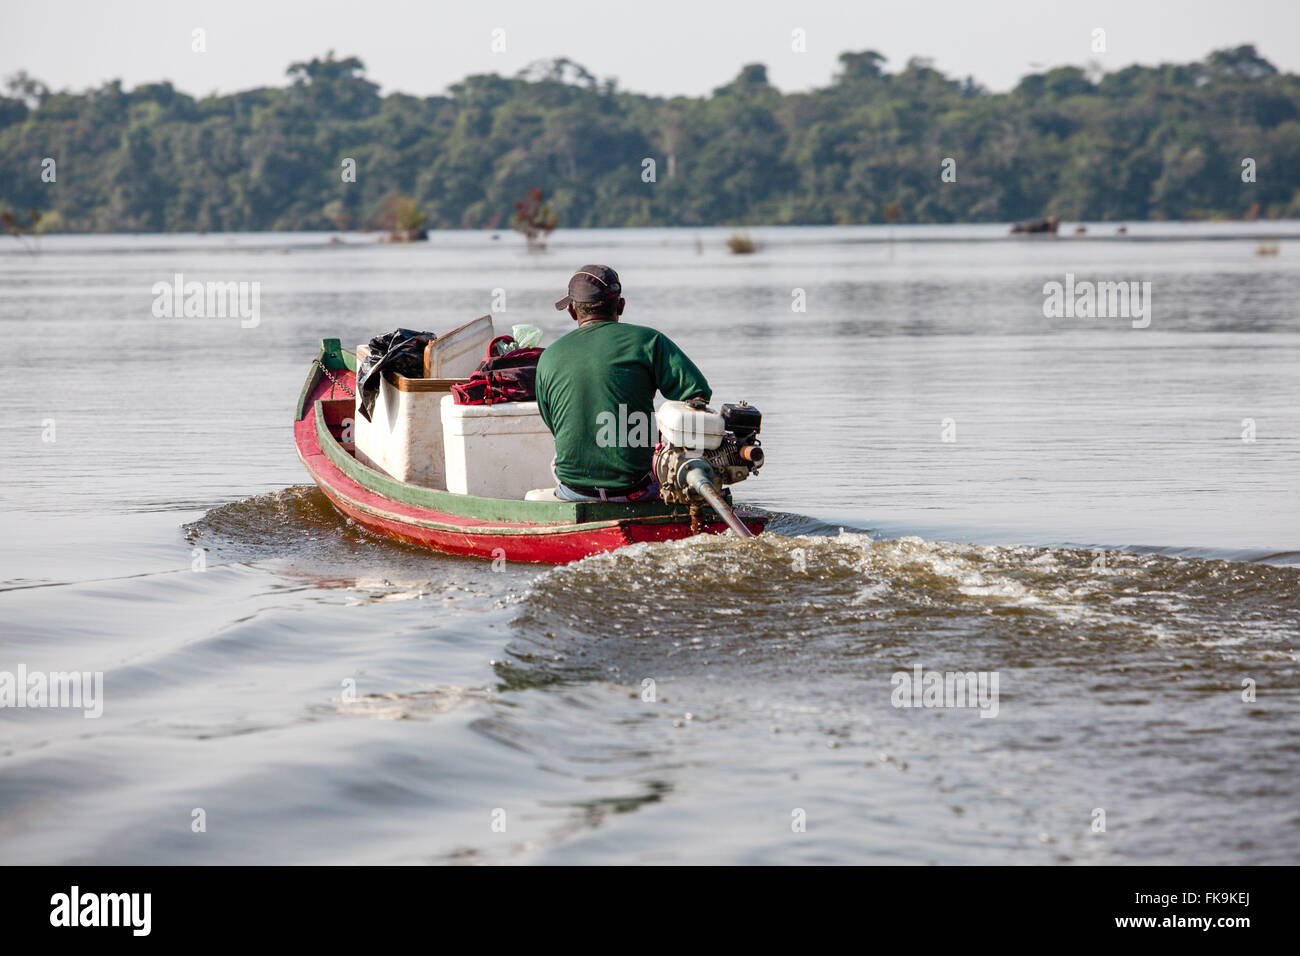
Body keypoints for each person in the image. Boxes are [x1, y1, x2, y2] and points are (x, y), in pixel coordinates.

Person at [536, 265, 710, 502]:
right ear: (620, 305)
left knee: (556, 462)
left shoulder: (548, 357)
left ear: (571, 311)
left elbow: (553, 423)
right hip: (636, 489)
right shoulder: (649, 341)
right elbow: (698, 395)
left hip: (575, 489)